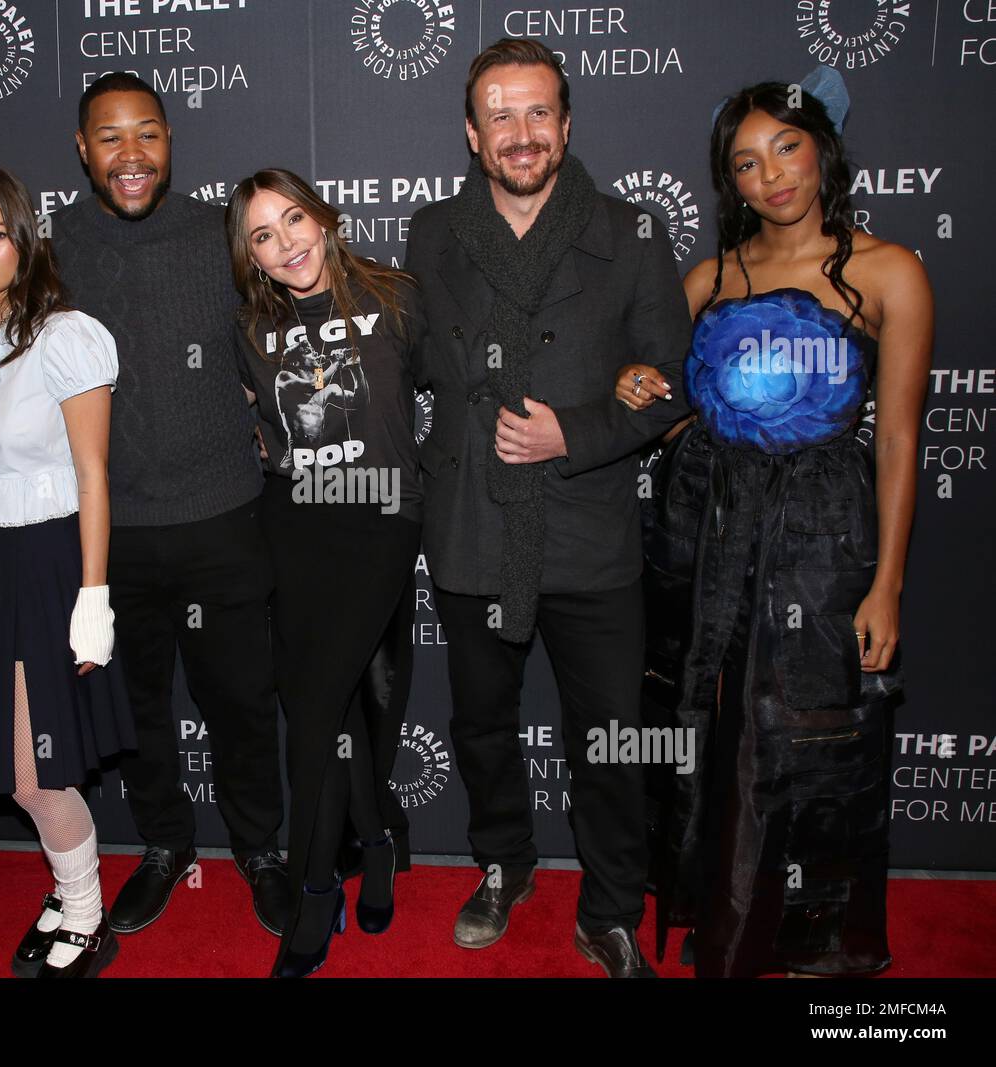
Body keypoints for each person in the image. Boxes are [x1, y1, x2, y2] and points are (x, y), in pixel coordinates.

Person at [616, 69, 931, 978]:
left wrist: (886, 585)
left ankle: (797, 936)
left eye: (786, 148)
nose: (772, 176)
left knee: (801, 732)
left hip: (822, 531)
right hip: (704, 521)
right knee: (701, 721)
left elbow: (901, 440)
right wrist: (640, 388)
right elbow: (678, 409)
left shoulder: (888, 271)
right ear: (730, 182)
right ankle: (709, 910)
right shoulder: (709, 277)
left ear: (823, 146)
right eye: (747, 163)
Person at [403, 38, 691, 976]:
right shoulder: (433, 234)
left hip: (588, 527)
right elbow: (400, 357)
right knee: (482, 725)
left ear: (566, 124)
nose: (520, 134)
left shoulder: (633, 230)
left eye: (538, 114)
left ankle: (609, 907)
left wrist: (576, 429)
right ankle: (502, 863)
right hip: (472, 525)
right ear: (472, 132)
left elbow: (670, 379)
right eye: (501, 115)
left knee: (608, 736)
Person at [51, 72, 289, 936]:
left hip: (225, 514)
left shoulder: (219, 236)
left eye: (146, 133)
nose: (131, 155)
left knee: (241, 701)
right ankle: (164, 845)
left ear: (169, 140)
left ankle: (261, 849)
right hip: (112, 535)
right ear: (83, 150)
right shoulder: (53, 250)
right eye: (110, 138)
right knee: (137, 707)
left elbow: (286, 339)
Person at [0, 168, 136, 978]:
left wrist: (93, 598)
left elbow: (93, 473)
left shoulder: (67, 335)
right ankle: (67, 890)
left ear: (27, 238)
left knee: (32, 765)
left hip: (47, 559)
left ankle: (86, 912)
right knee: (11, 757)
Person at [225, 169, 424, 977]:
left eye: (293, 219)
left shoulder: (400, 296)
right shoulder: (247, 325)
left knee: (313, 713)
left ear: (326, 216)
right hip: (293, 520)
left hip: (380, 518)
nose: (286, 244)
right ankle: (375, 846)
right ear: (251, 257)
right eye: (263, 237)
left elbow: (467, 391)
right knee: (329, 707)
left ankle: (313, 891)